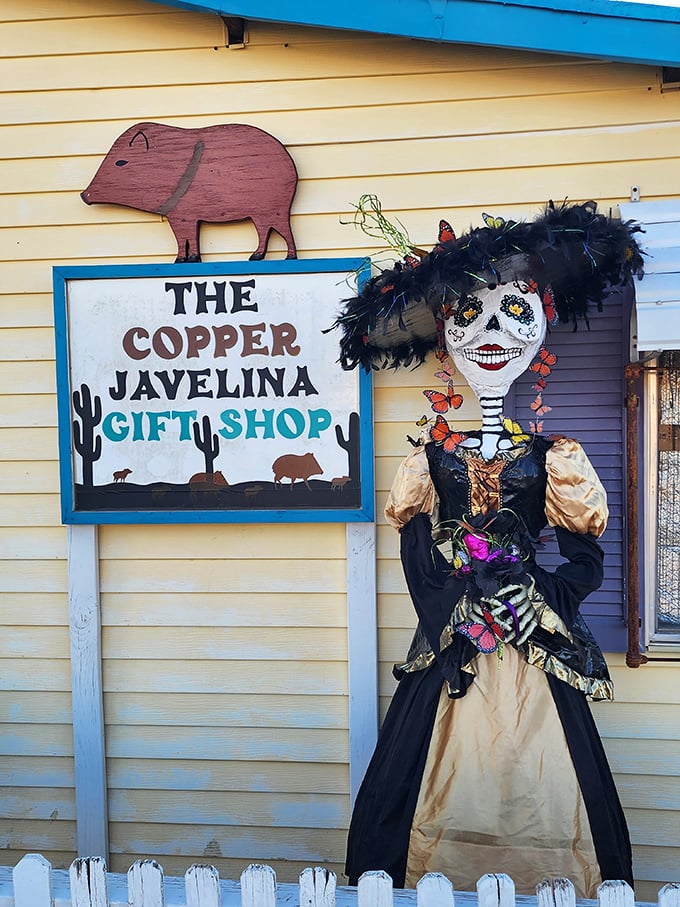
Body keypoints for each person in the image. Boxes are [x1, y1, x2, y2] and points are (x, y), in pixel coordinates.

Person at [333, 201, 644, 897]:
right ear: (447, 335)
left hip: (533, 637)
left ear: (542, 327)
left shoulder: (554, 457)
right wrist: (457, 606)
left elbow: (586, 559)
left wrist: (540, 599)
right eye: (470, 315)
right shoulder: (430, 458)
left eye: (514, 313)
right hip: (454, 636)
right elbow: (417, 553)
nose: (492, 333)